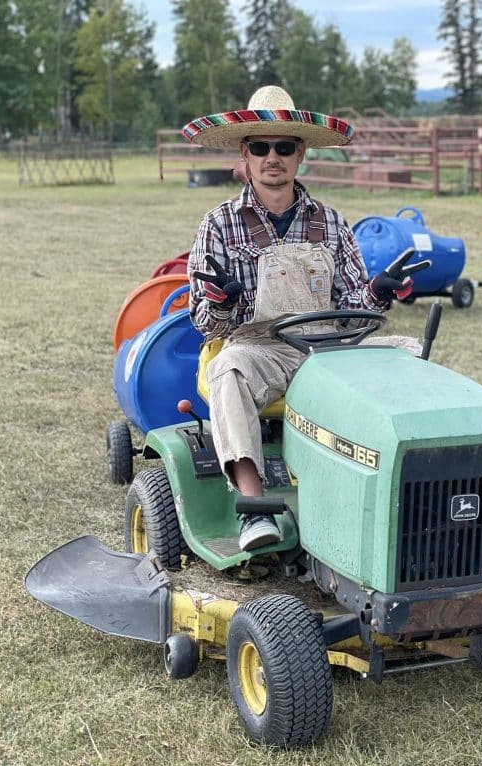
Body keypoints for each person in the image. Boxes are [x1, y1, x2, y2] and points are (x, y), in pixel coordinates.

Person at [183, 85, 427, 551]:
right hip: (264, 349)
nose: (272, 157)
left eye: (284, 147)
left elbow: (357, 305)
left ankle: (405, 496)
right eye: (260, 147)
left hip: (331, 348)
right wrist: (219, 302)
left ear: (301, 155)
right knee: (227, 369)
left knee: (412, 356)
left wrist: (376, 291)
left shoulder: (332, 222)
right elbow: (206, 325)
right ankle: (255, 512)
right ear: (245, 154)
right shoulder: (218, 225)